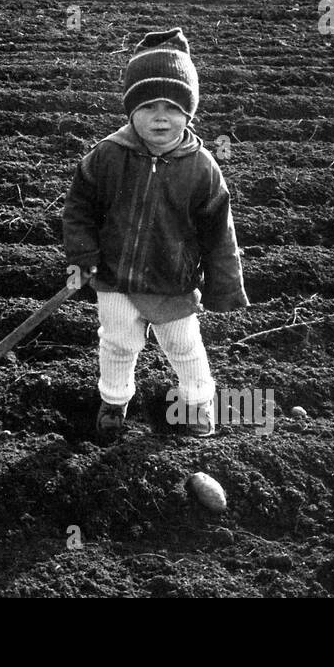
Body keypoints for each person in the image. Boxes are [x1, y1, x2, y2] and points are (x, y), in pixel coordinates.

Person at [62, 29, 249, 441]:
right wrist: (83, 253)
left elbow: (220, 233)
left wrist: (224, 286)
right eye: (148, 107)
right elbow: (79, 208)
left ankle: (197, 406)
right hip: (114, 277)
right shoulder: (107, 155)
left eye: (172, 107)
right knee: (118, 343)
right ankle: (114, 402)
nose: (160, 117)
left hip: (172, 280)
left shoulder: (202, 168)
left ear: (189, 114)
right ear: (131, 111)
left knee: (184, 347)